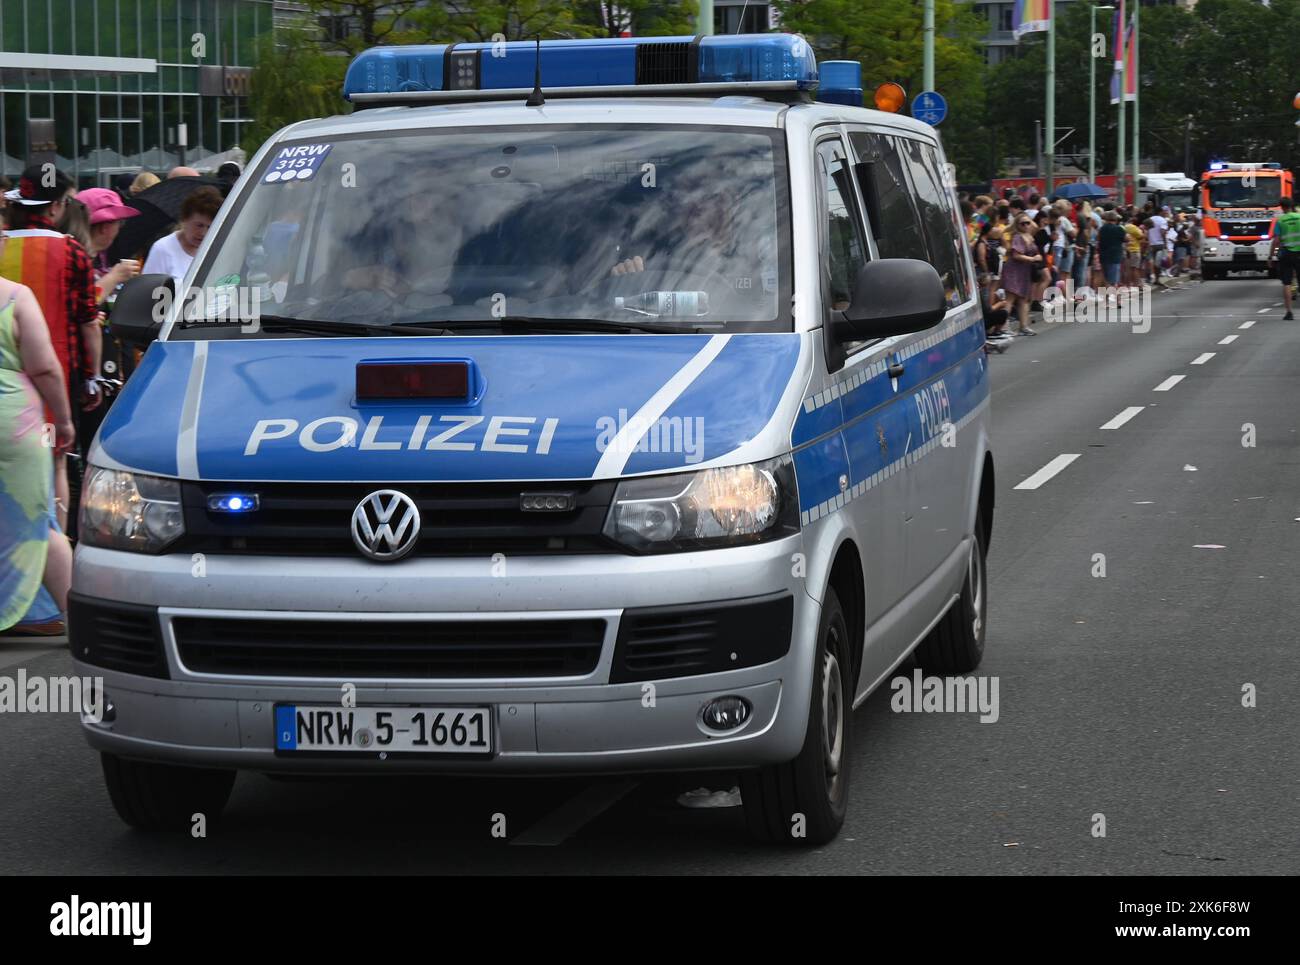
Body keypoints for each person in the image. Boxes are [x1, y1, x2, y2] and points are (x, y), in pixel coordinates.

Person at [0, 165, 101, 530]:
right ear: (56, 206)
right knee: (56, 458)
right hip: (52, 382)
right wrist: (93, 377)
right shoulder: (71, 251)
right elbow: (88, 321)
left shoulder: (2, 242)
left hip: (6, 383)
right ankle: (52, 537)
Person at [0, 236, 75, 632]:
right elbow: (44, 367)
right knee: (36, 520)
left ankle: (24, 613)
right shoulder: (16, 296)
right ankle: (75, 618)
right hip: (16, 423)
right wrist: (63, 420)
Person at [142, 185, 223, 289]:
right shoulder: (162, 249)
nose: (203, 233)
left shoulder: (218, 249)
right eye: (199, 225)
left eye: (210, 227)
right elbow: (148, 292)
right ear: (185, 219)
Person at [1002, 214, 1041, 335]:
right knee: (1010, 299)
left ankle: (1024, 327)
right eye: (1022, 223)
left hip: (1024, 271)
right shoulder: (1017, 237)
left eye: (1027, 223)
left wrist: (1036, 257)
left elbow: (1036, 226)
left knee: (1024, 299)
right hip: (1013, 270)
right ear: (1017, 225)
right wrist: (1033, 259)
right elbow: (1016, 255)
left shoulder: (1029, 235)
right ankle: (1003, 328)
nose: (1026, 225)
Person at [1268, 196, 1300, 320]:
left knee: (1286, 282)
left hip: (1286, 253)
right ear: (1292, 206)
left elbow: (1276, 241)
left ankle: (1289, 312)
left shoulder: (1280, 221)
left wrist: (1270, 256)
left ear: (1282, 207)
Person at [1097, 210, 1128, 288]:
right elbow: (1126, 239)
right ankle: (1114, 298)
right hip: (1115, 256)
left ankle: (1107, 297)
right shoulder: (1119, 229)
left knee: (1106, 278)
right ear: (1116, 219)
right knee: (1114, 281)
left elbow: (1098, 239)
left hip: (1103, 255)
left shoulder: (1102, 229)